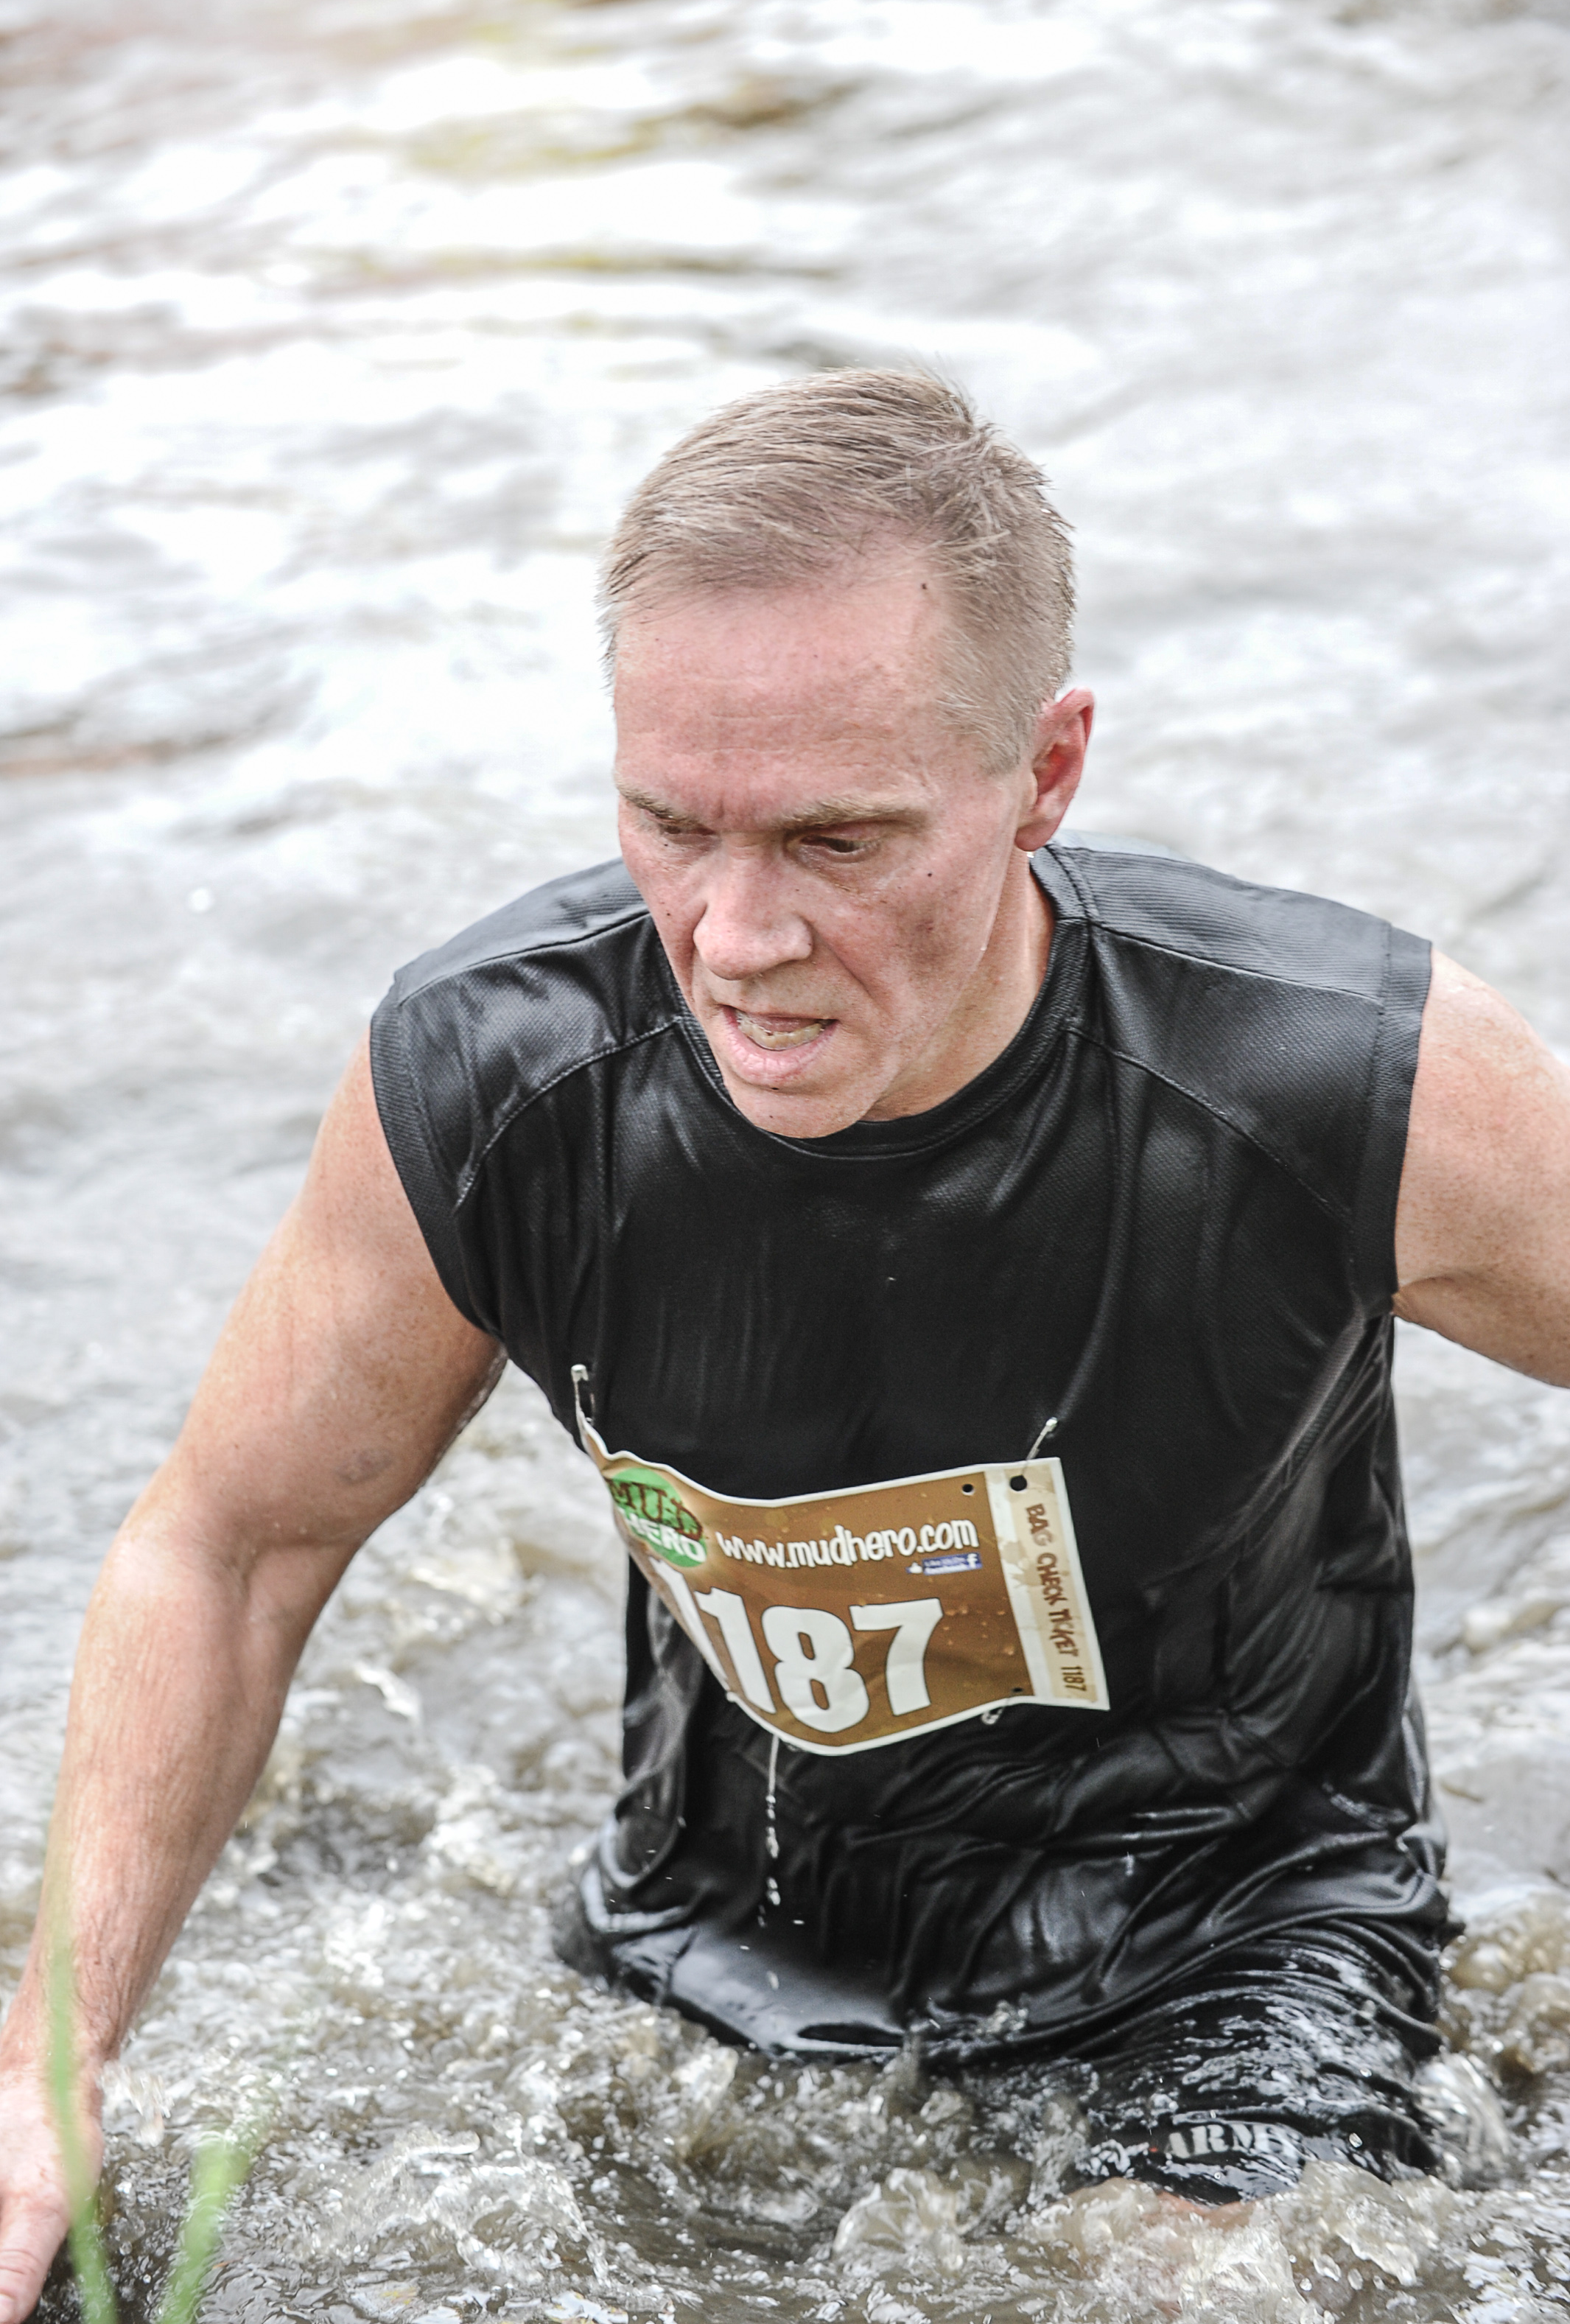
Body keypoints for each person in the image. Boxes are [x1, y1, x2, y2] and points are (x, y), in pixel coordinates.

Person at [3, 368, 1569, 2311]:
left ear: (1046, 771)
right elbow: (226, 1552)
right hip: (703, 1945)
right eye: (673, 826)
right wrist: (44, 2075)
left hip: (1233, 1947)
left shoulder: (1333, 1083)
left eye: (836, 842)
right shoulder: (497, 1087)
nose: (735, 937)